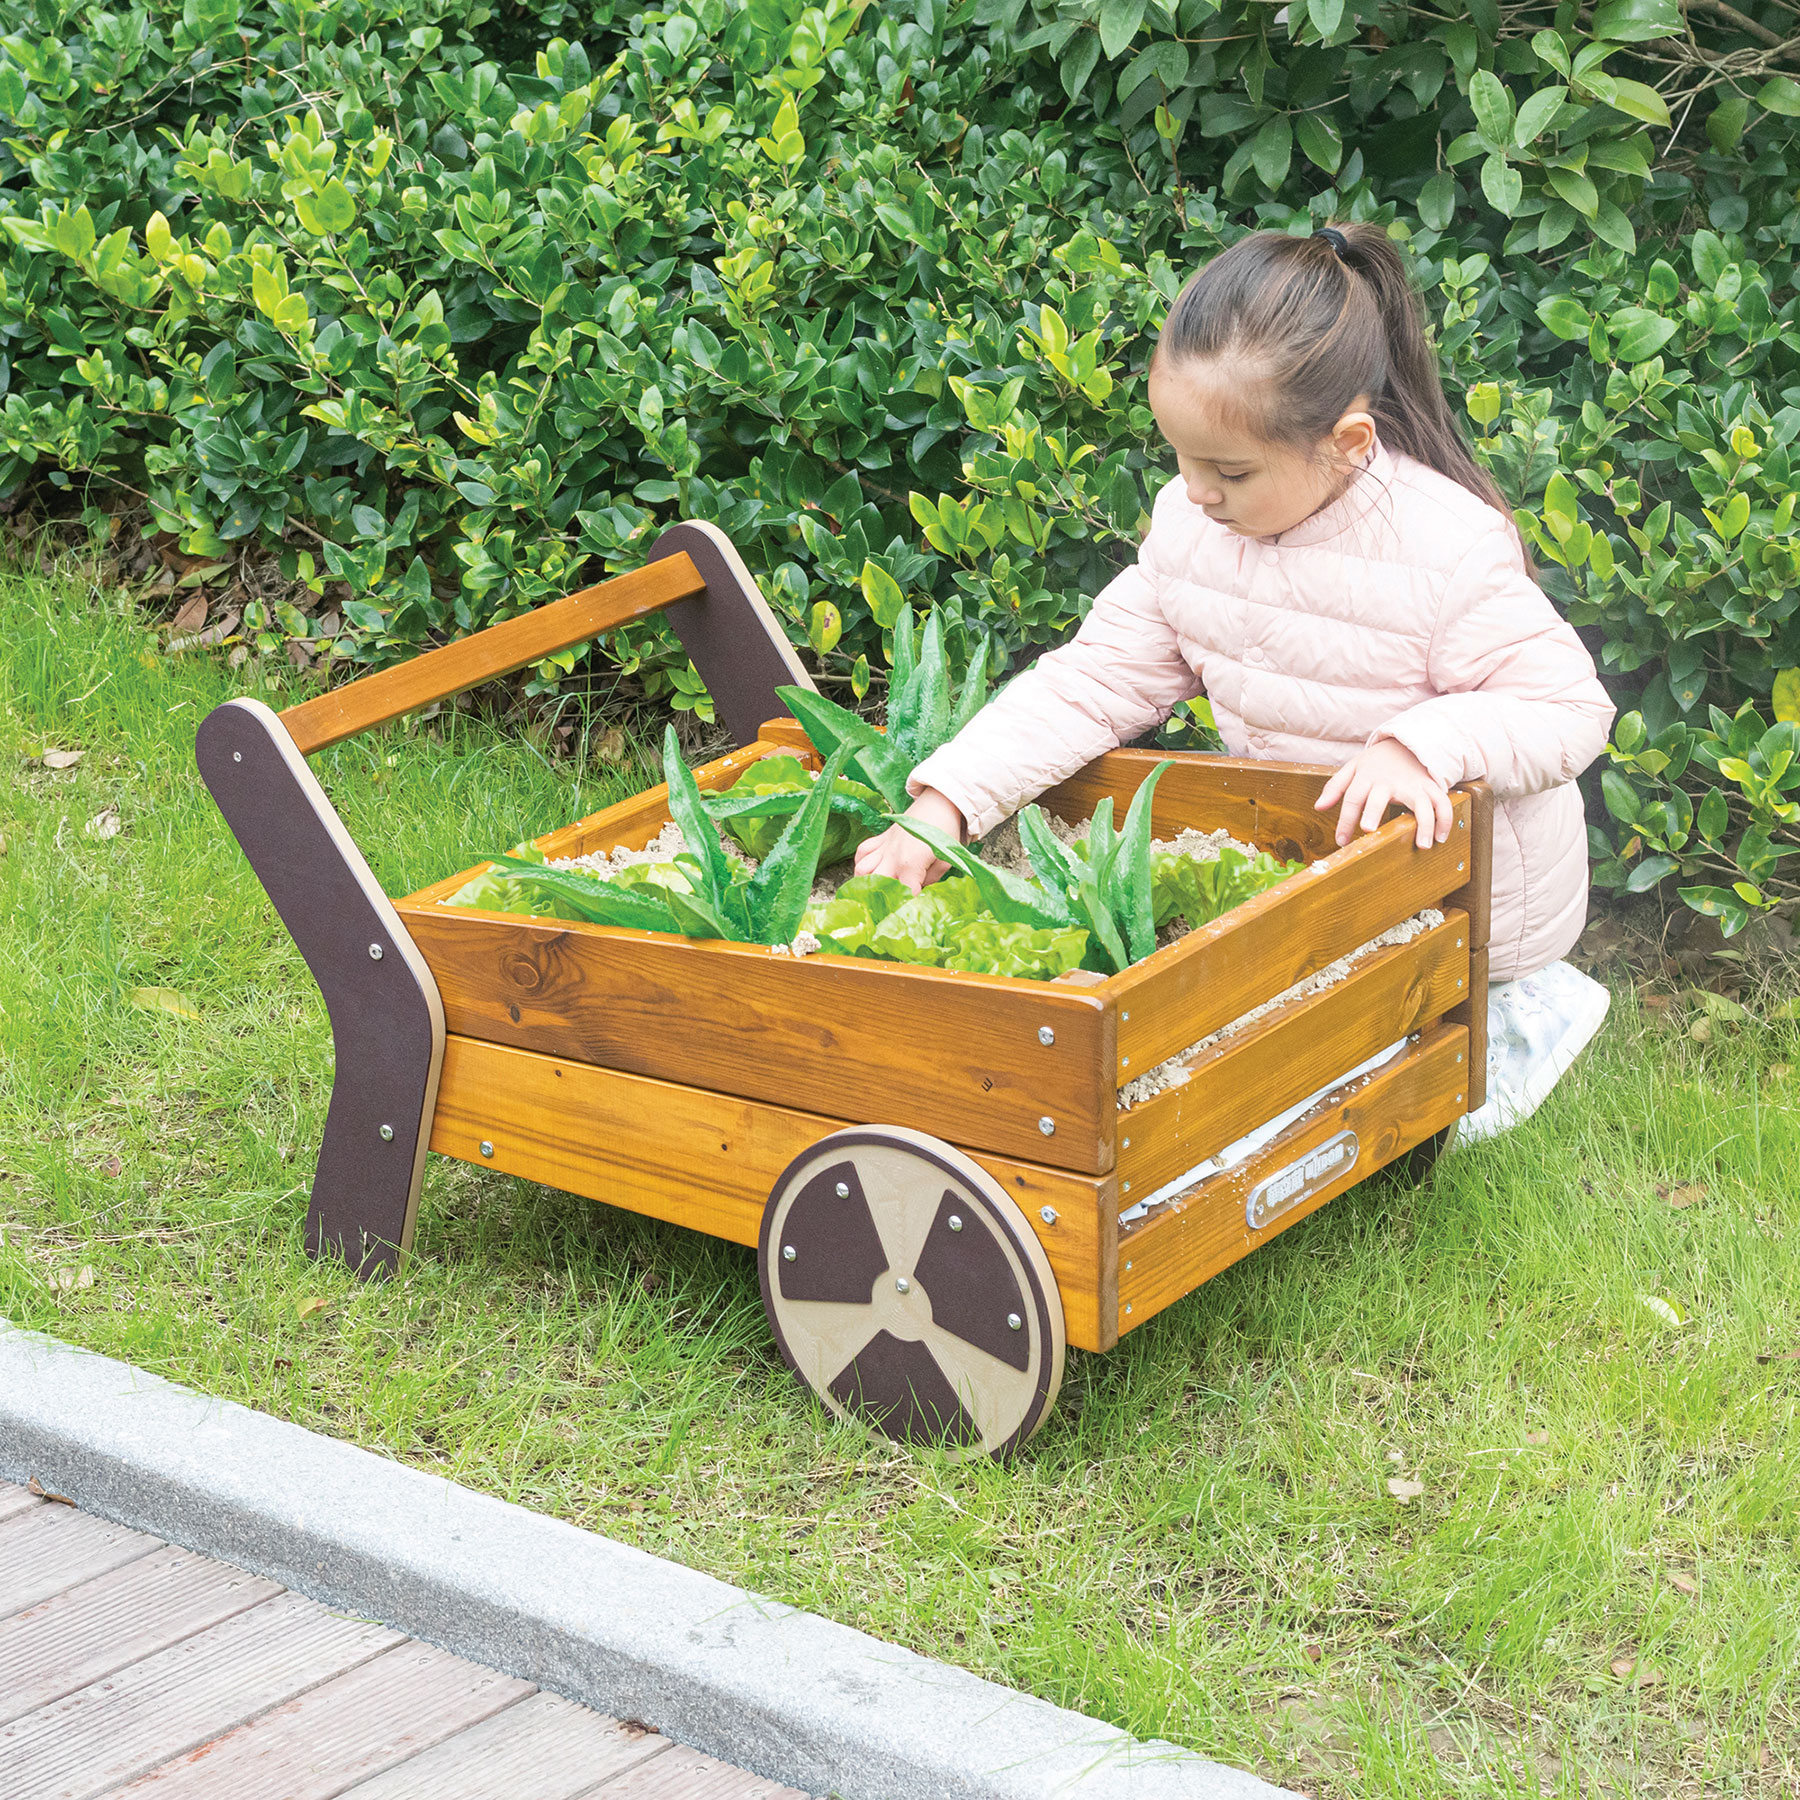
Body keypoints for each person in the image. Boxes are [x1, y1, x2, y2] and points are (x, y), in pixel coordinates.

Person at [855, 221, 1615, 1141]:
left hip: (1471, 916)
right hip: (1316, 888)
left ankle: (1531, 1013)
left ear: (1347, 442)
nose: (1196, 492)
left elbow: (1570, 708)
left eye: (1229, 470)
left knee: (1357, 1103)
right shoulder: (1193, 532)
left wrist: (1421, 745)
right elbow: (1092, 682)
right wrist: (949, 801)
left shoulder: (1447, 550)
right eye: (1178, 457)